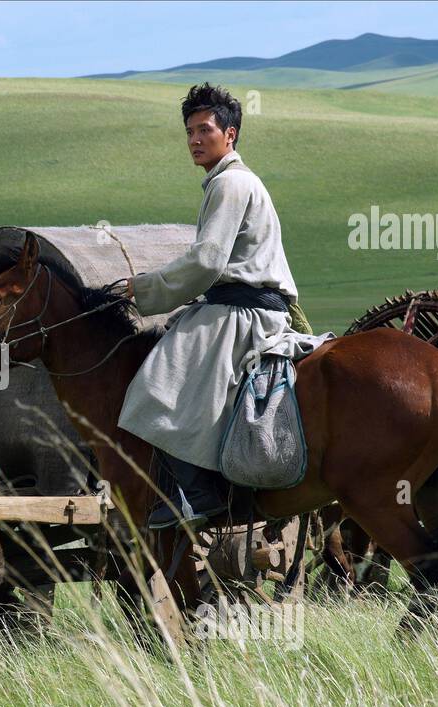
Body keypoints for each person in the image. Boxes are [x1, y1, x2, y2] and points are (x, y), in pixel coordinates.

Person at [114, 84, 330, 532]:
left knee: (159, 381)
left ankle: (197, 494)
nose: (195, 139)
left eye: (205, 129)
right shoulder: (228, 181)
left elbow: (207, 260)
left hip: (242, 313)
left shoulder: (230, 183)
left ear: (230, 134)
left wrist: (146, 288)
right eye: (190, 131)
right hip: (242, 306)